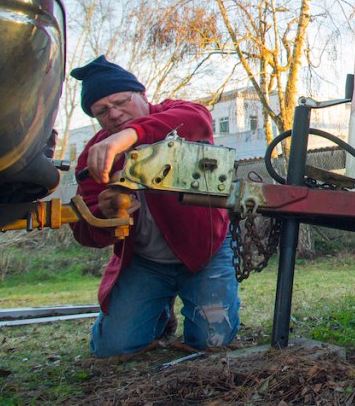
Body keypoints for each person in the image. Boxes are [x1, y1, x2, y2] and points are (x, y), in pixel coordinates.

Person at [69, 55, 240, 359]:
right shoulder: (93, 157)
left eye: (121, 101)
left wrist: (128, 137)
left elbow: (198, 119)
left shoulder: (176, 114)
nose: (114, 114)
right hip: (145, 262)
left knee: (212, 341)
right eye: (102, 111)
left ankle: (171, 308)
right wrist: (103, 214)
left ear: (142, 96)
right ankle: (158, 312)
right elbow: (87, 232)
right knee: (113, 348)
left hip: (205, 250)